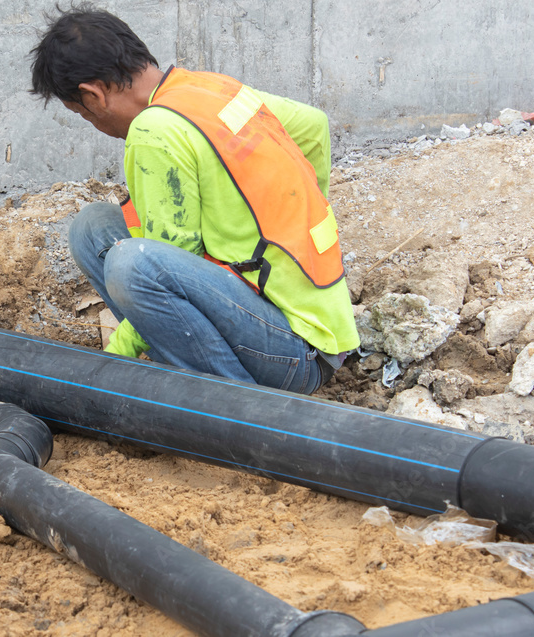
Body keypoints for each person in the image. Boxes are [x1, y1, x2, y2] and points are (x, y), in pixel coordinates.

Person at [30, 4, 359, 395]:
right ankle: (195, 367)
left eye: (83, 114)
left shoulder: (154, 129)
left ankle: (237, 405)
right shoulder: (205, 89)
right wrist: (299, 213)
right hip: (316, 331)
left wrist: (107, 366)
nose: (94, 125)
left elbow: (153, 266)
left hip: (293, 354)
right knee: (93, 228)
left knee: (131, 263)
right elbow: (314, 126)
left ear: (94, 95)